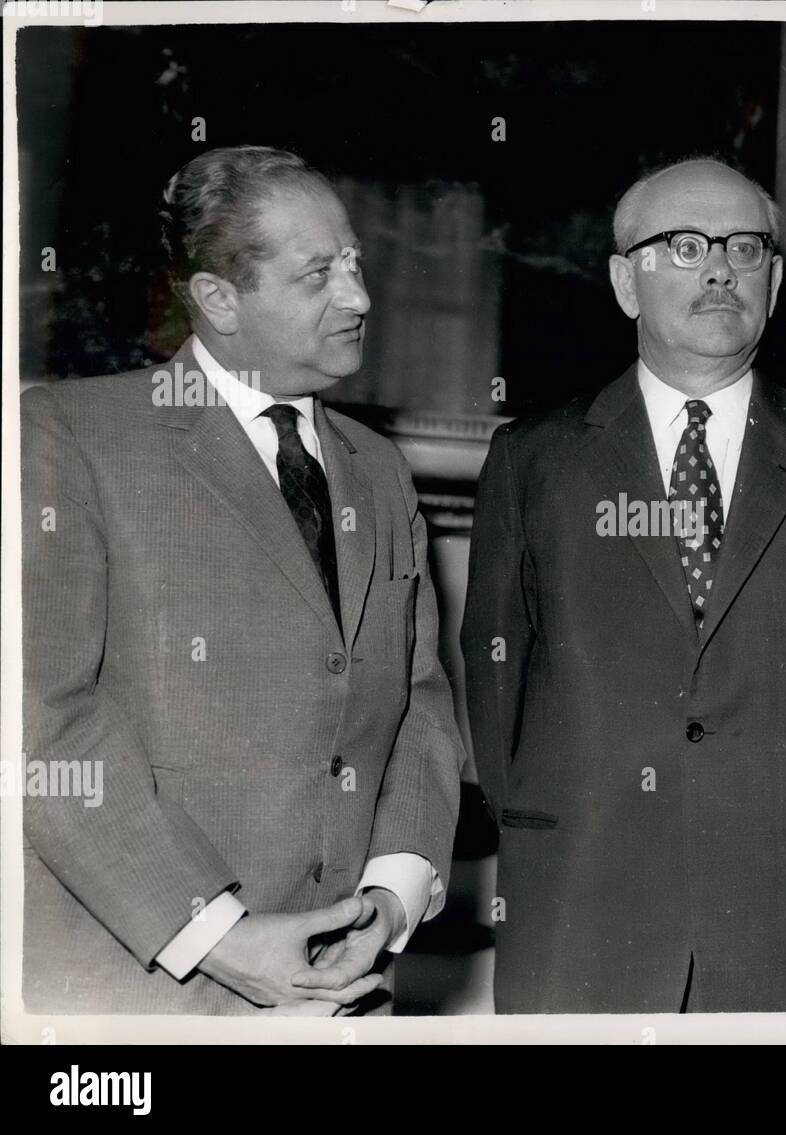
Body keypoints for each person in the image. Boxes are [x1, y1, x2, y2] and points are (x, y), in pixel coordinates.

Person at [21, 145, 465, 1014]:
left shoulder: (380, 470)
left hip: (348, 999)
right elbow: (47, 725)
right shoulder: (69, 435)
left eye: (356, 264)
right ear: (219, 299)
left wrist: (391, 896)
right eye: (317, 276)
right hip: (143, 997)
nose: (359, 298)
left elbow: (418, 701)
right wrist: (217, 936)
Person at [462, 157, 786, 1013]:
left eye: (745, 248)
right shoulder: (533, 461)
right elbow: (498, 686)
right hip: (582, 918)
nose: (718, 268)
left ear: (773, 282)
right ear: (627, 282)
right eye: (685, 246)